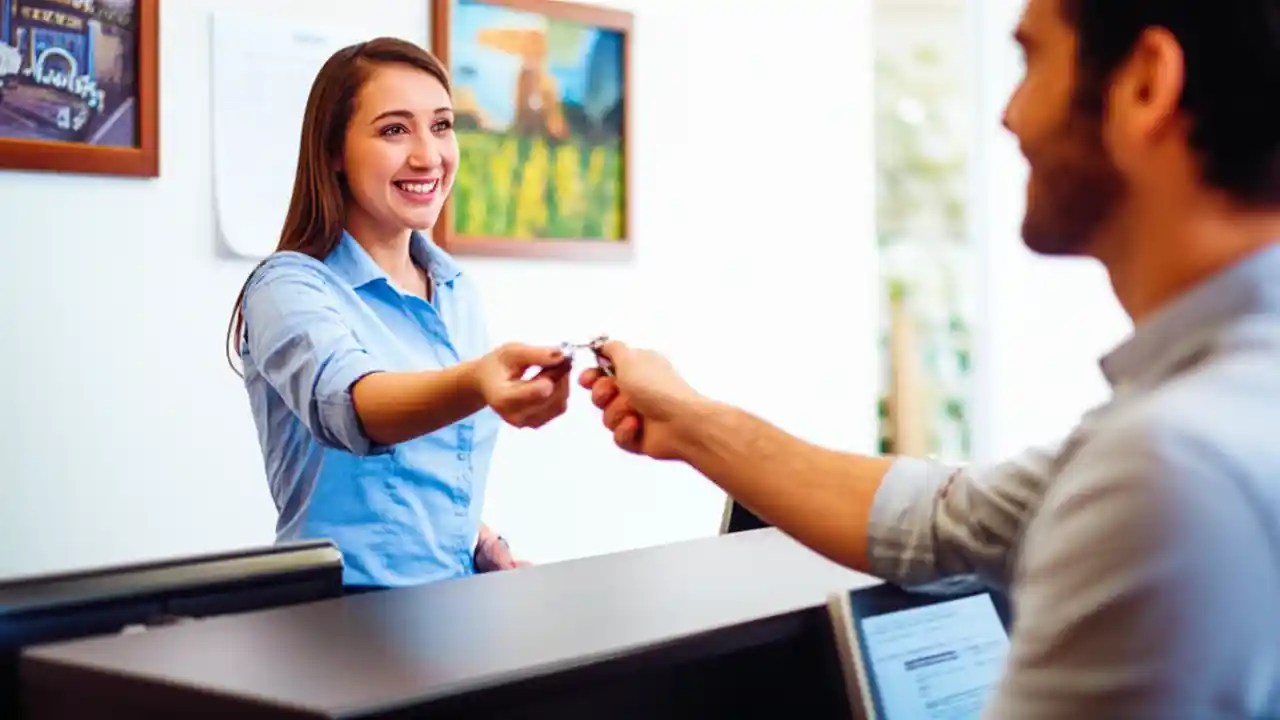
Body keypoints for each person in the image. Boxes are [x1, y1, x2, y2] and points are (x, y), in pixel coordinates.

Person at [581, 0, 1280, 717]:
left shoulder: (1169, 473)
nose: (1010, 116)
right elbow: (940, 519)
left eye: (1031, 60)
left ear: (1144, 84)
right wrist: (688, 423)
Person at [226, 38, 572, 591]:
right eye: (394, 130)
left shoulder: (456, 289)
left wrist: (480, 542)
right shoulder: (287, 287)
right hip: (339, 626)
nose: (428, 155)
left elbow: (419, 479)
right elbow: (356, 409)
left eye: (441, 125)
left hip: (454, 608)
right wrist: (480, 381)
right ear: (333, 152)